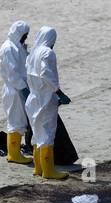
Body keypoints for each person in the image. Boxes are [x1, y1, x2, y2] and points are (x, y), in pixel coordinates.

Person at [25, 26, 69, 181]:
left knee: (37, 134)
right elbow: (46, 74)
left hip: (33, 98)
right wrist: (59, 93)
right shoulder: (47, 53)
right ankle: (49, 171)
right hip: (45, 99)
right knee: (47, 134)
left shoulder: (33, 53)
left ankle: (38, 168)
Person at [0, 20, 33, 165]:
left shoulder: (16, 46)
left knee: (20, 120)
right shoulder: (8, 48)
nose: (25, 38)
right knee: (15, 121)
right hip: (14, 90)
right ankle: (13, 154)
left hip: (18, 88)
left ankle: (15, 151)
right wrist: (23, 88)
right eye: (24, 35)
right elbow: (12, 73)